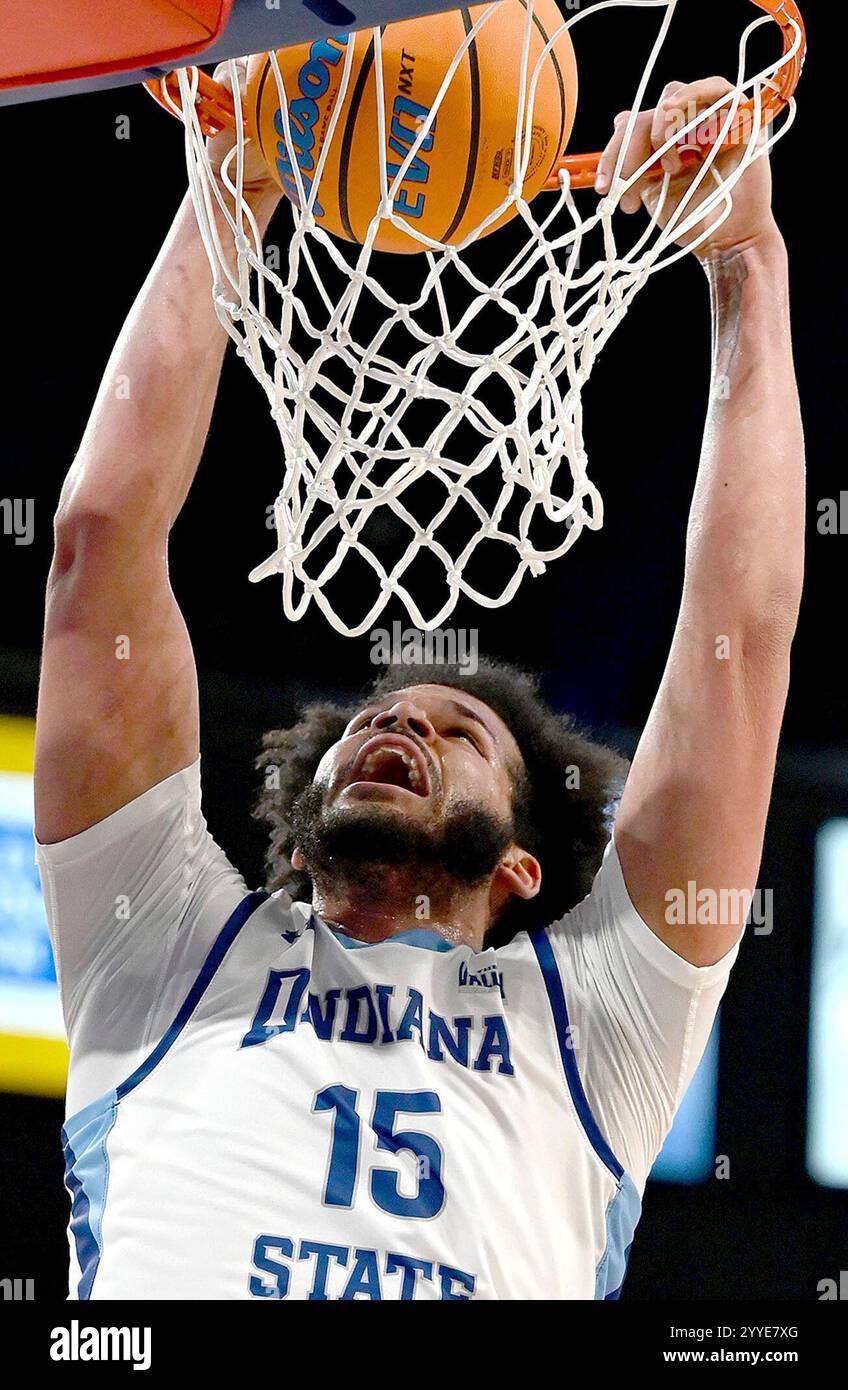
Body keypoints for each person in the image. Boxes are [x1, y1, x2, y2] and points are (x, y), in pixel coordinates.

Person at [34, 72, 804, 1300]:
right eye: (383, 718)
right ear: (300, 820)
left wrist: (745, 261)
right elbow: (99, 538)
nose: (400, 716)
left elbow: (741, 641)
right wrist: (231, 195)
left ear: (519, 868)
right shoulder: (166, 948)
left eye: (458, 731)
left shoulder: (597, 1025)